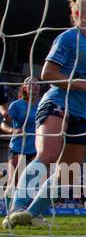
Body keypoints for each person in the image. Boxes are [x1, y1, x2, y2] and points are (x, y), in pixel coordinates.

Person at [4, 0, 86, 229]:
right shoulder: (68, 38)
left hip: (81, 111)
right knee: (48, 154)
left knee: (68, 174)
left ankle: (30, 216)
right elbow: (48, 74)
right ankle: (16, 207)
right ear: (77, 13)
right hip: (57, 101)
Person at [1, 78, 39, 213]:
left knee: (30, 183)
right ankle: (10, 213)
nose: (34, 87)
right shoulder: (16, 105)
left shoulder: (42, 105)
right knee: (14, 182)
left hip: (36, 149)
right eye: (31, 84)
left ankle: (24, 210)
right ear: (25, 88)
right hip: (18, 147)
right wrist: (13, 130)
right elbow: (3, 124)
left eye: (37, 84)